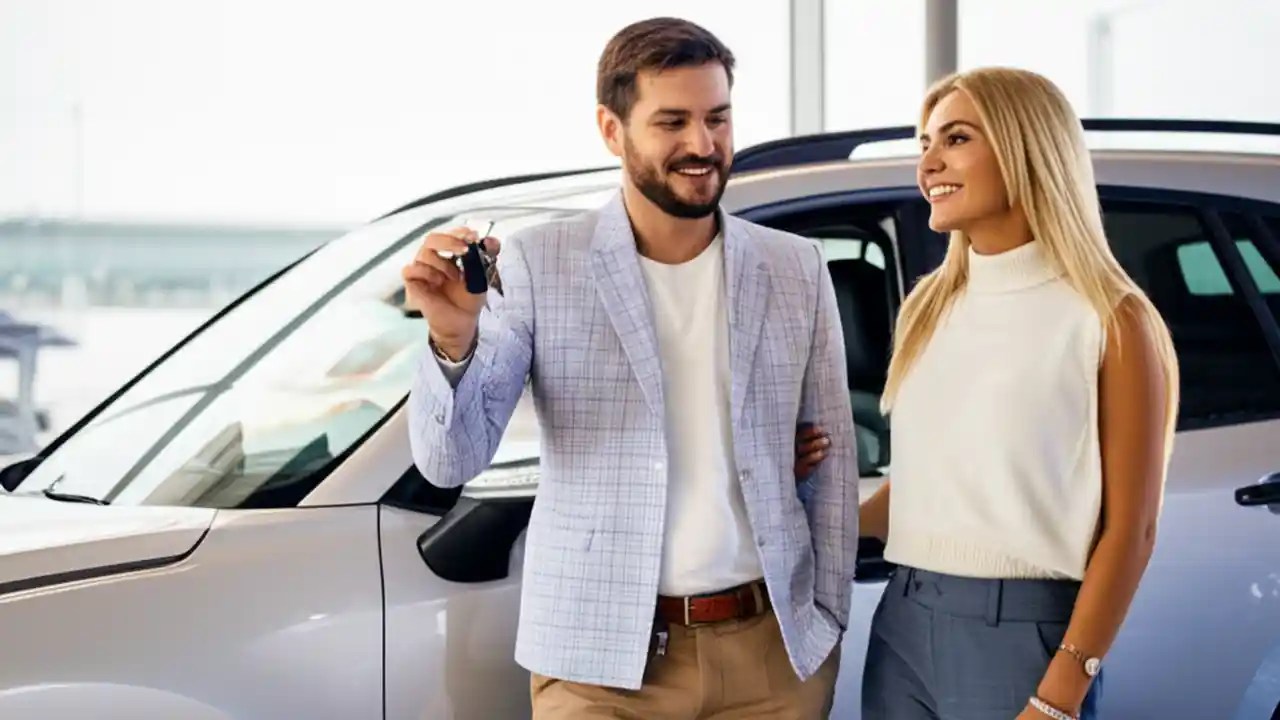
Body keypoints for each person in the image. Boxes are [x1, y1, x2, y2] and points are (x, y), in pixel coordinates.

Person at [402, 16, 859, 719]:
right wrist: (452, 340)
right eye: (671, 121)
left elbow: (831, 468)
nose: (702, 145)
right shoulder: (538, 263)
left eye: (718, 118)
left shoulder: (793, 267)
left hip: (771, 661)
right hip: (599, 668)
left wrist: (825, 622)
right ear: (612, 131)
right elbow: (450, 459)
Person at [845, 67, 1180, 720]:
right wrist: (802, 522)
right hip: (902, 623)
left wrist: (1061, 693)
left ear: (1026, 149)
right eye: (925, 143)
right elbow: (928, 485)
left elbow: (1131, 531)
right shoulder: (930, 306)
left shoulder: (1110, 318)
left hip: (1022, 636)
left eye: (956, 138)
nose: (930, 163)